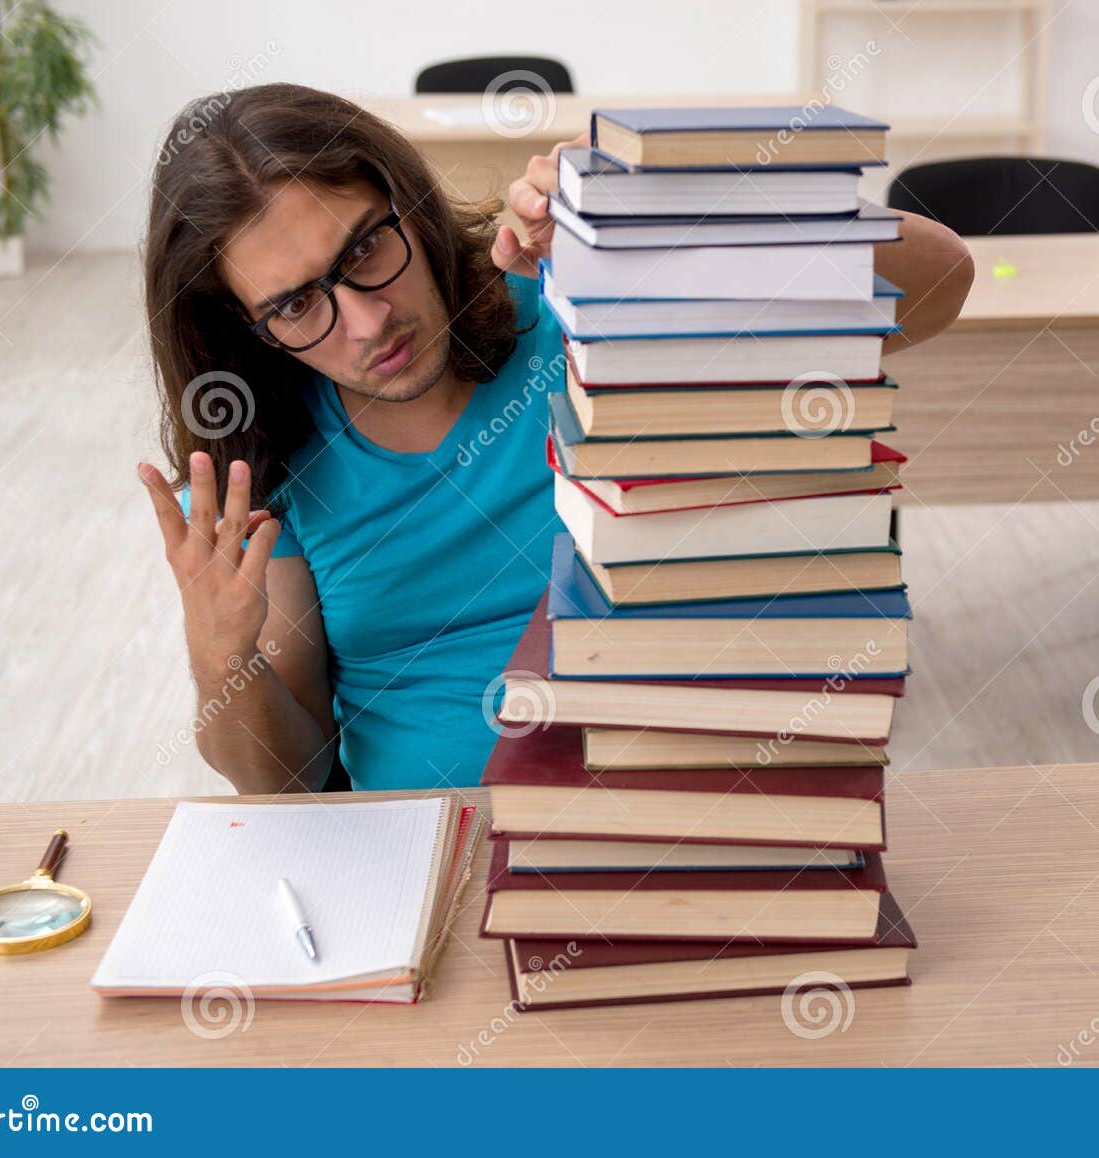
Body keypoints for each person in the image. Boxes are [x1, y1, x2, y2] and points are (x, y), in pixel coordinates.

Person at [136, 83, 974, 794]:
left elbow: (939, 279)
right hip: (428, 869)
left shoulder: (578, 304)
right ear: (243, 329)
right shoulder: (259, 468)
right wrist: (223, 661)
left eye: (365, 248)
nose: (366, 321)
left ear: (408, 205)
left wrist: (660, 223)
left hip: (686, 830)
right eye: (294, 304)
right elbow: (289, 778)